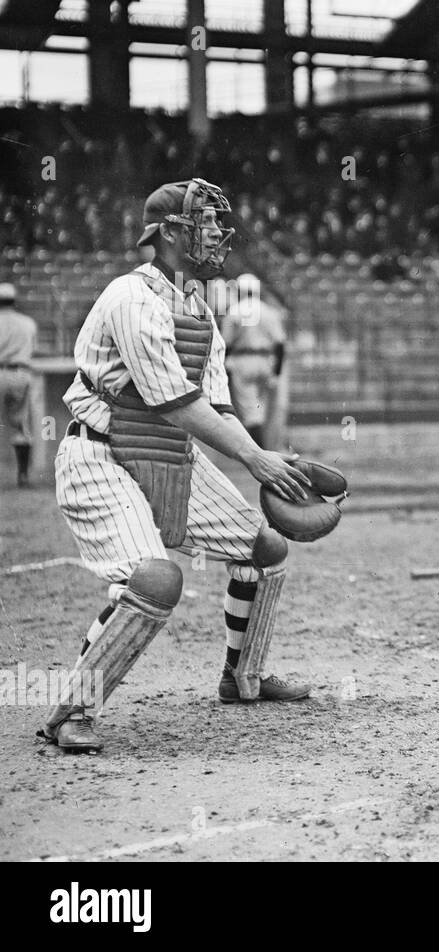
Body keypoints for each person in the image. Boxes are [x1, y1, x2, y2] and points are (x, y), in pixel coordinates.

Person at [44, 178, 315, 752]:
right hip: (101, 452)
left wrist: (269, 456)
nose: (218, 233)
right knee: (155, 580)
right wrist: (254, 458)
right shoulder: (131, 297)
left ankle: (244, 678)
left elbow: (216, 408)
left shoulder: (200, 311)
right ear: (170, 233)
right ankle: (72, 709)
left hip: (168, 452)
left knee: (264, 551)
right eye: (206, 223)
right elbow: (175, 401)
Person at [220, 272, 287, 449]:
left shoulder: (234, 311)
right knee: (262, 409)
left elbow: (226, 344)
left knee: (250, 411)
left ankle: (262, 451)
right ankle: (271, 448)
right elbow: (280, 344)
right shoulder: (268, 310)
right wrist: (277, 373)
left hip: (243, 360)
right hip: (267, 359)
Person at [0, 281, 36, 487]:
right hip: (19, 372)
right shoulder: (27, 322)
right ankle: (23, 474)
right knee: (22, 425)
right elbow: (33, 349)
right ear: (13, 300)